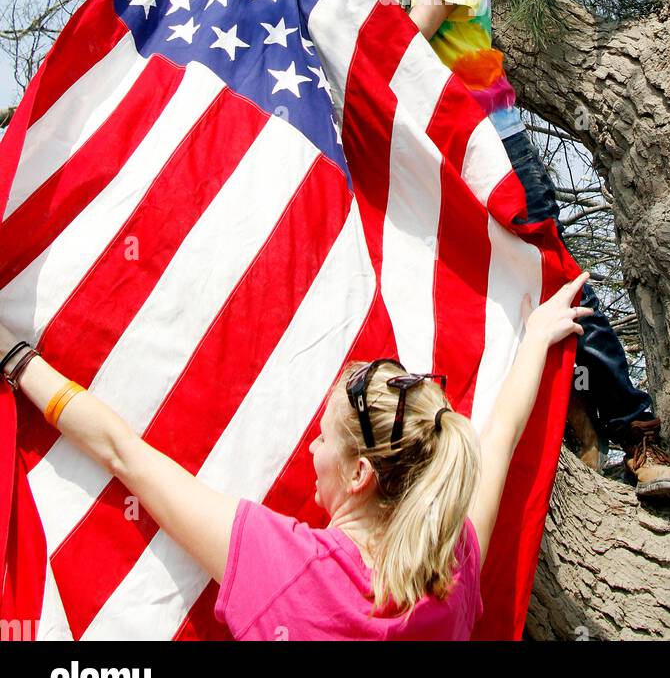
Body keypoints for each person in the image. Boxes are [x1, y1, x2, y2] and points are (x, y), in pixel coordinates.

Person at [360, 0, 670, 506]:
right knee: (488, 292)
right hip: (440, 154)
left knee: (557, 280)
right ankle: (575, 428)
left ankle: (639, 436)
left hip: (492, 140)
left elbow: (412, 35)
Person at [0, 272, 592, 641]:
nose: (310, 449)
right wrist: (537, 336)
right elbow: (502, 436)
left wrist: (17, 361)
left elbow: (122, 453)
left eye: (323, 440)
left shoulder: (290, 569)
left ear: (360, 473)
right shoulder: (456, 574)